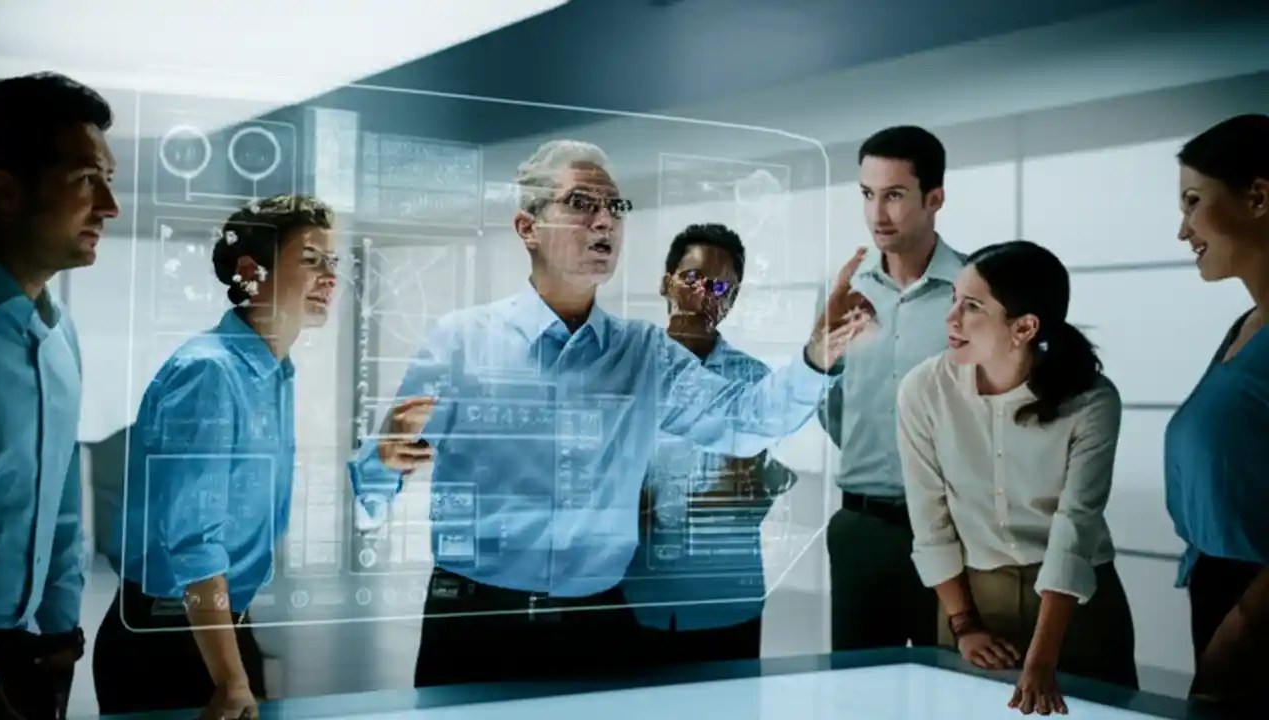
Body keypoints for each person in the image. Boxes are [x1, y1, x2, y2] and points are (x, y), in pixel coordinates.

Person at [351, 139, 868, 688]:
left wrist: (818, 355)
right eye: (581, 204)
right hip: (475, 626)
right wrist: (384, 458)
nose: (606, 222)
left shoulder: (644, 354)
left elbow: (743, 422)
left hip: (594, 630)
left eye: (615, 208)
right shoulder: (461, 341)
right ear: (528, 228)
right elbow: (370, 493)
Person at [92, 195, 338, 719]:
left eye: (333, 262)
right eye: (313, 259)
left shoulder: (273, 371)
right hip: (169, 644)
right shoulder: (210, 373)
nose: (331, 277)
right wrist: (230, 679)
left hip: (217, 630)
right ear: (251, 272)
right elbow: (193, 544)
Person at [896, 240, 1138, 715]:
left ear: (1024, 327)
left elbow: (1075, 527)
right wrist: (964, 625)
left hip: (1077, 606)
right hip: (973, 599)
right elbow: (930, 520)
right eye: (953, 301)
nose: (951, 320)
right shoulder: (924, 390)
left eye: (972, 307)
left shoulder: (1091, 401)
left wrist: (1044, 658)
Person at [0, 72, 120, 720]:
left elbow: (61, 495)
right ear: (5, 190)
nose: (109, 208)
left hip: (36, 657)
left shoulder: (58, 331)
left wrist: (62, 638)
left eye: (108, 181)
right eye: (85, 181)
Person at [619, 223, 798, 667]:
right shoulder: (620, 370)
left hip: (723, 600)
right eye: (692, 278)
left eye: (720, 287)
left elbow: (772, 481)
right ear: (666, 283)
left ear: (732, 301)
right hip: (630, 595)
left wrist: (754, 489)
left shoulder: (756, 381)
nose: (704, 295)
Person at [817, 125, 962, 651]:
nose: (877, 213)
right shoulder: (843, 291)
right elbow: (830, 405)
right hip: (860, 529)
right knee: (855, 695)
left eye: (895, 195)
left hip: (950, 532)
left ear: (935, 198)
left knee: (944, 690)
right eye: (868, 194)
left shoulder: (971, 291)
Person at [1167, 114, 1269, 713]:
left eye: (1193, 203)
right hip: (1222, 591)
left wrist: (1241, 629)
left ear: (1258, 197)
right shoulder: (1245, 327)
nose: (1184, 230)